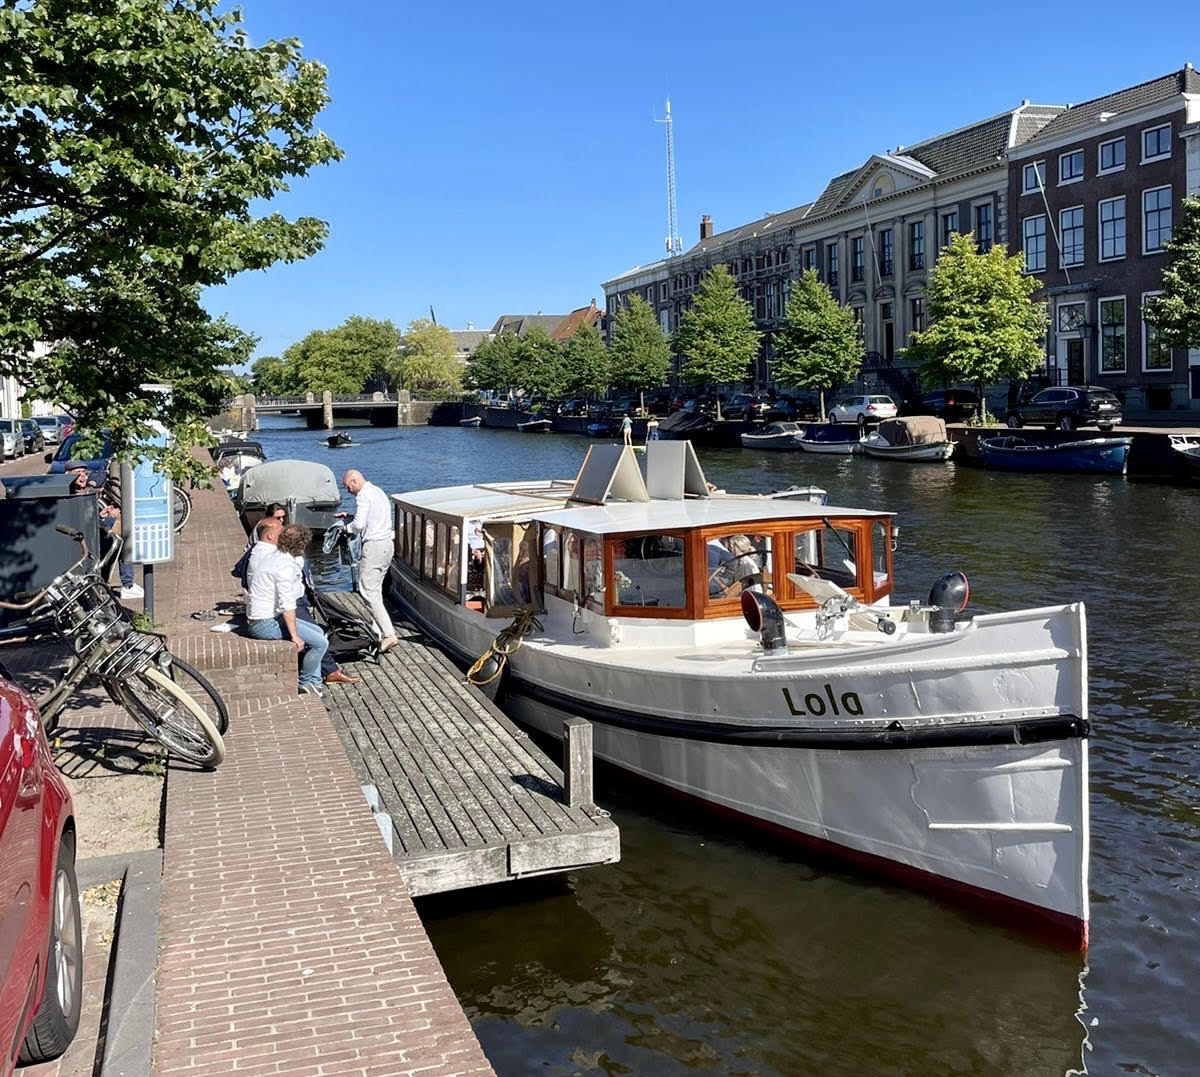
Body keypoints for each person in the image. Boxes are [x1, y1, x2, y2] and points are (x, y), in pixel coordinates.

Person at [245, 524, 329, 696]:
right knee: (321, 643)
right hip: (265, 624)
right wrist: (294, 637)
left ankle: (315, 682)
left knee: (318, 632)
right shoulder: (284, 567)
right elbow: (287, 605)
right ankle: (306, 682)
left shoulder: (274, 556)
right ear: (301, 546)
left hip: (267, 617)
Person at [337, 469, 398, 652]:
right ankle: (377, 632)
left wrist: (346, 528)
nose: (348, 491)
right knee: (376, 589)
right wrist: (350, 516)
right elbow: (370, 518)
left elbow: (359, 525)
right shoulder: (378, 491)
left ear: (355, 481)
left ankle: (389, 634)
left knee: (367, 591)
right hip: (387, 545)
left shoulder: (362, 496)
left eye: (348, 487)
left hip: (373, 547)